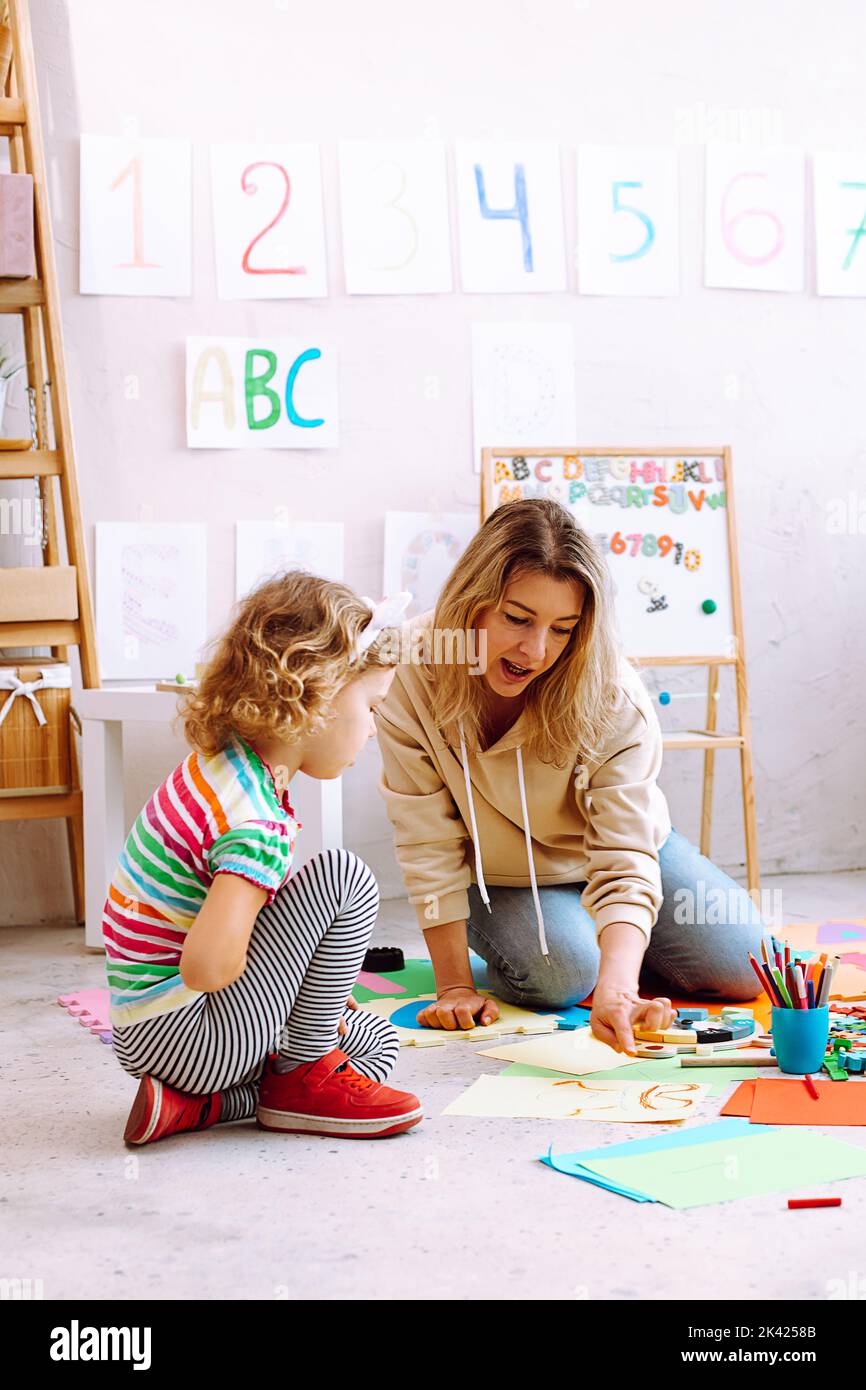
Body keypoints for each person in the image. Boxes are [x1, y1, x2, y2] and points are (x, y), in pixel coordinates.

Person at [375, 498, 764, 1055]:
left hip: (605, 852)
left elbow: (625, 852)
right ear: (472, 602)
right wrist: (455, 986)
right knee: (562, 976)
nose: (535, 651)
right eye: (517, 618)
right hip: (501, 876)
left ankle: (615, 939)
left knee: (747, 967)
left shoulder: (612, 694)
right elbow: (426, 841)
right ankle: (595, 942)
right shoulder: (410, 670)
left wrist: (620, 988)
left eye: (562, 628)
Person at [103, 572, 423, 1144]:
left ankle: (201, 1108)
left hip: (145, 1030)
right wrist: (288, 979)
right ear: (318, 693)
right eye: (372, 705)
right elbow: (207, 969)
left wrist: (304, 981)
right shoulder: (256, 822)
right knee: (345, 879)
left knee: (375, 1039)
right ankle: (299, 1083)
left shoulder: (218, 768)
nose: (374, 729)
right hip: (193, 1036)